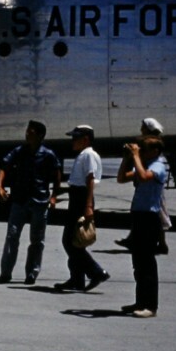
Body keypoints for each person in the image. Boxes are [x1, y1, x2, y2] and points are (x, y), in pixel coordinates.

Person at [0, 120, 60, 285]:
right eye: (27, 132)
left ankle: (32, 273)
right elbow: (4, 166)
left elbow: (57, 174)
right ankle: (5, 273)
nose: (27, 135)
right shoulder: (19, 151)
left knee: (37, 240)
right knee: (12, 236)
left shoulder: (48, 154)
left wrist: (54, 196)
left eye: (31, 132)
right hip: (19, 200)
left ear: (40, 135)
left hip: (39, 201)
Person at [54, 125, 110, 293]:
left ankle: (96, 272)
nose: (72, 141)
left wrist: (88, 205)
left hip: (82, 198)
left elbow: (90, 179)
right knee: (74, 241)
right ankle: (76, 279)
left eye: (76, 138)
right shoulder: (83, 154)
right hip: (77, 196)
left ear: (85, 139)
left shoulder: (89, 155)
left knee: (70, 241)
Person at [117, 135, 168, 318]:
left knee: (147, 263)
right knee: (138, 263)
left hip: (150, 217)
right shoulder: (144, 165)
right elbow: (122, 178)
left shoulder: (158, 166)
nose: (141, 153)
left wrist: (136, 156)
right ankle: (140, 301)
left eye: (144, 150)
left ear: (155, 151)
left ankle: (150, 306)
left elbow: (145, 177)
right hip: (139, 215)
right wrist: (127, 159)